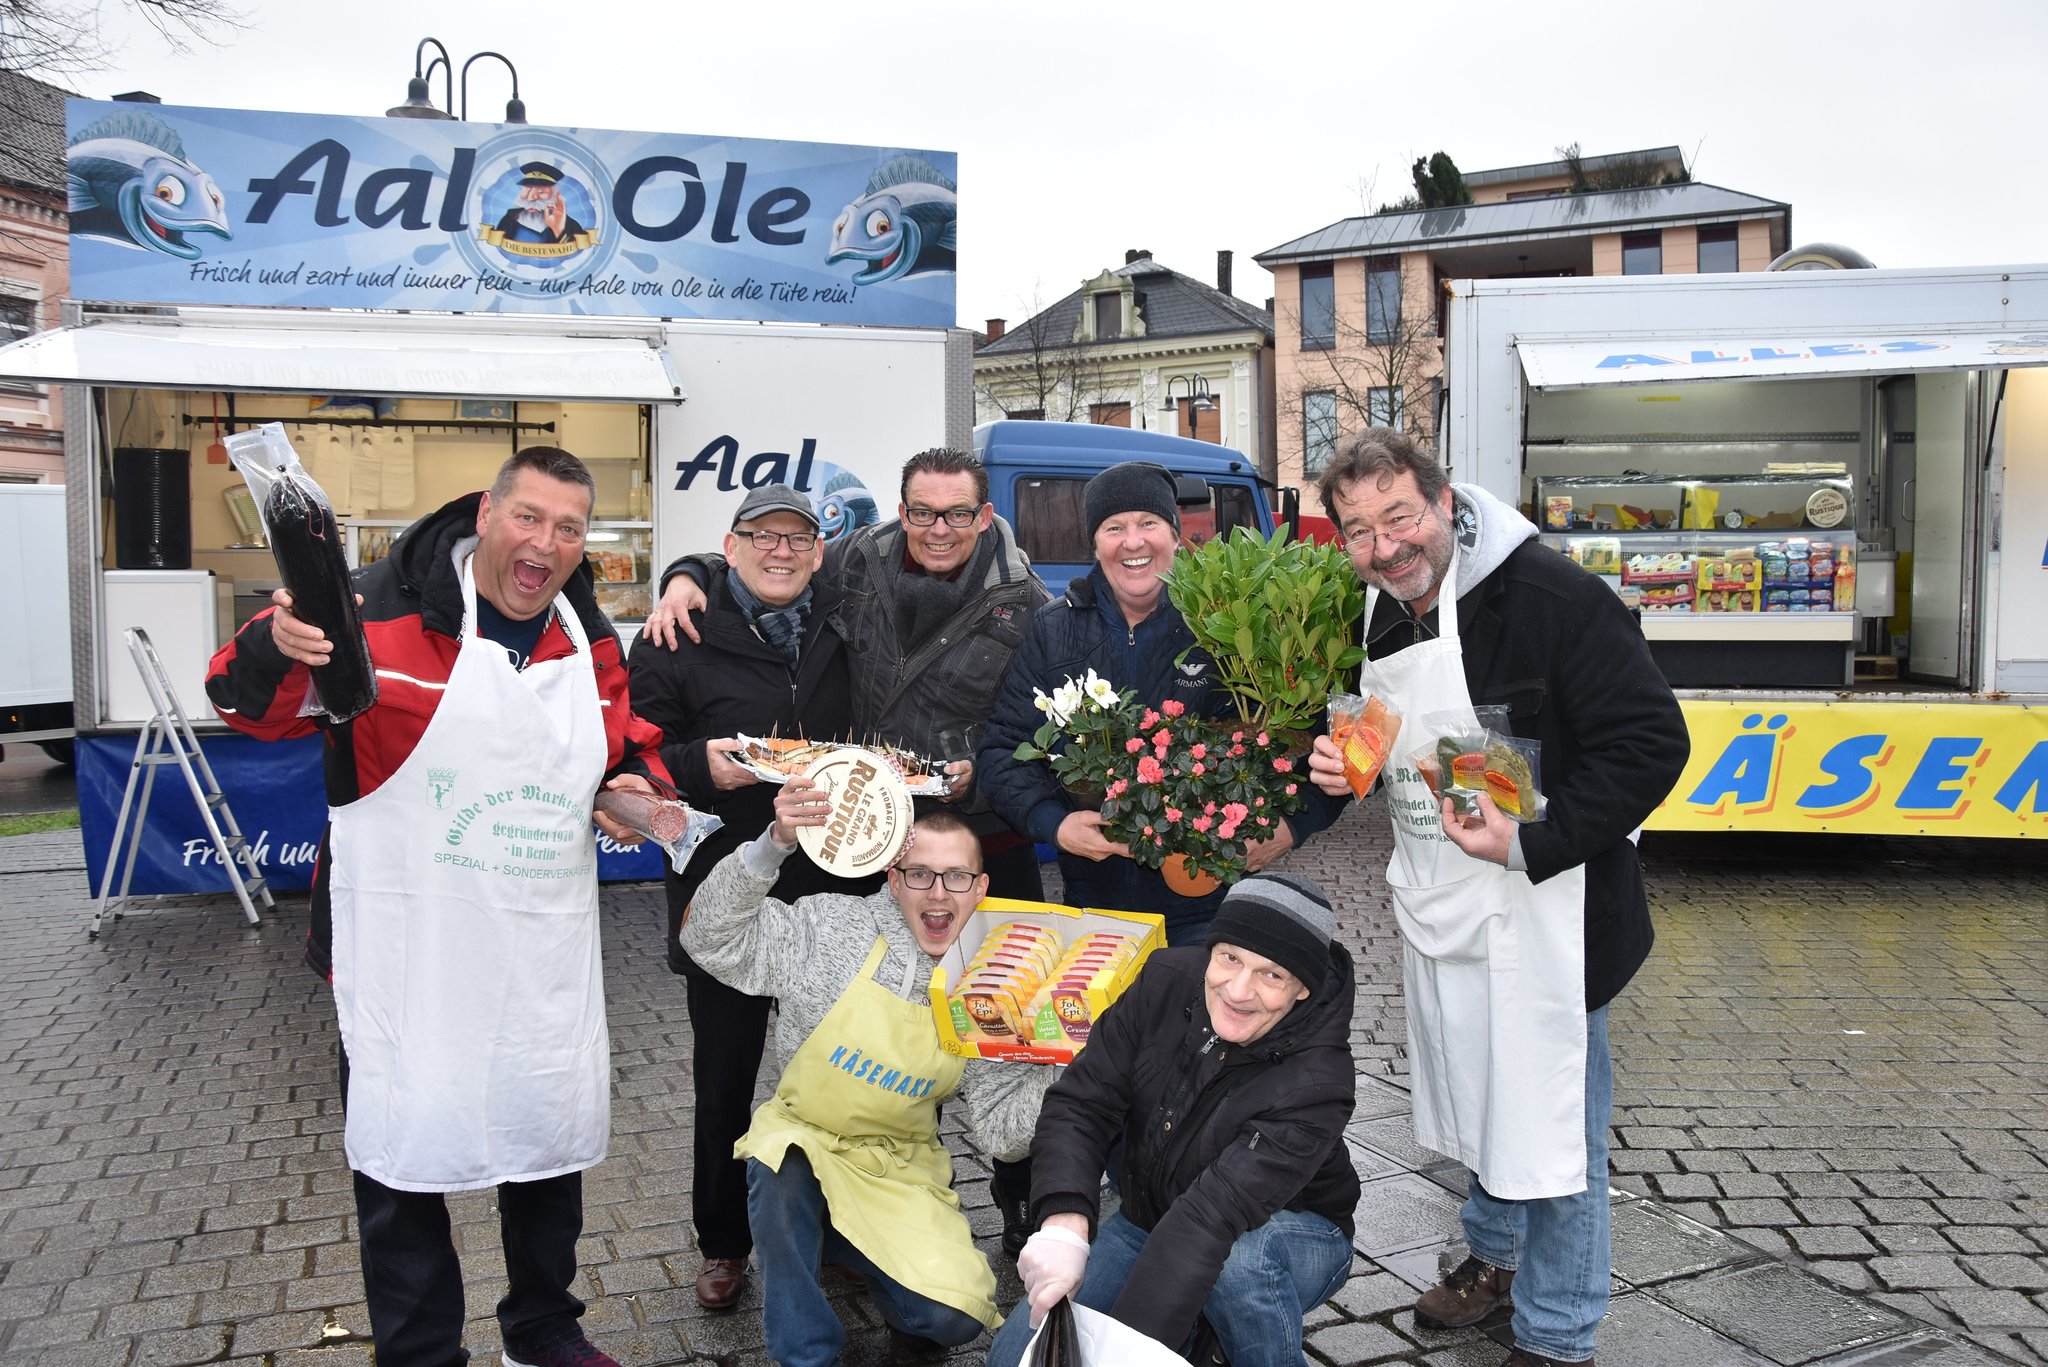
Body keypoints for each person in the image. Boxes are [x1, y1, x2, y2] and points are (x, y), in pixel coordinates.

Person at [206, 446, 671, 1367]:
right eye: (529, 518)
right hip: (405, 951)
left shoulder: (588, 635)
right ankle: (421, 1350)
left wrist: (635, 790)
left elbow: (627, 742)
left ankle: (542, 1329)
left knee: (545, 1139)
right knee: (401, 1158)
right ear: (487, 514)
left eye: (570, 528)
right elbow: (240, 702)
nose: (547, 543)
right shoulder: (372, 608)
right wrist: (273, 642)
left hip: (537, 947)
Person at [1304, 429, 1689, 1367]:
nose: (1386, 547)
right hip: (1443, 905)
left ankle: (1558, 1332)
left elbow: (1652, 743)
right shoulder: (1372, 610)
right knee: (1479, 1092)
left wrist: (1536, 838)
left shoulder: (1553, 596)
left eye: (1399, 517)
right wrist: (1340, 762)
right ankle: (1493, 1253)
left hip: (1552, 914)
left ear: (1444, 502)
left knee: (1550, 1123)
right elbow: (1393, 731)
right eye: (1358, 530)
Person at [642, 448, 1053, 1253]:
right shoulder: (855, 566)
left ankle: (1016, 1215)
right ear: (899, 511)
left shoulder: (1029, 605)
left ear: (986, 517)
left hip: (959, 848)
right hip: (823, 860)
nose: (938, 529)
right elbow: (767, 561)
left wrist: (983, 772)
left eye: (957, 514)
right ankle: (748, 1238)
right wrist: (683, 575)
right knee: (770, 1059)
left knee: (987, 1030)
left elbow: (1047, 731)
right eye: (922, 512)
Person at [680, 790, 1057, 1367]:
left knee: (951, 1320)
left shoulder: (992, 983)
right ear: (892, 879)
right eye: (921, 874)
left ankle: (850, 1242)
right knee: (780, 1169)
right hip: (806, 1136)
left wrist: (1057, 1066)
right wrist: (772, 845)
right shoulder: (828, 926)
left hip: (899, 1164)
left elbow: (1003, 1134)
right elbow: (707, 938)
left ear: (981, 889)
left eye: (956, 877)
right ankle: (805, 1351)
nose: (938, 892)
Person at [624, 483, 881, 1313]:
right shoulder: (679, 631)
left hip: (834, 892)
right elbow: (640, 754)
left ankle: (836, 1231)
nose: (780, 551)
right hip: (726, 889)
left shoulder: (843, 620)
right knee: (726, 1076)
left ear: (818, 551)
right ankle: (723, 1243)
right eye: (760, 537)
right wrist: (704, 767)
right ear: (729, 547)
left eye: (796, 539)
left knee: (830, 1069)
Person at [984, 872, 1360, 1367]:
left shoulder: (1320, 1081)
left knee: (1238, 1265)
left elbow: (1212, 1215)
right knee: (1017, 1358)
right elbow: (1082, 1102)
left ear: (1303, 990)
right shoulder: (1163, 981)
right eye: (1230, 958)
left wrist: (1134, 1350)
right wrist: (1065, 1223)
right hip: (1150, 1216)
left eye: (1272, 976)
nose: (1239, 990)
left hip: (1289, 1232)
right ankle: (1200, 1333)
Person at [978, 460, 1342, 946]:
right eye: (1114, 528)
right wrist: (1056, 825)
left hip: (1211, 906)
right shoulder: (1055, 630)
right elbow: (1004, 749)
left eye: (1149, 523)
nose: (1133, 542)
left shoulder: (1228, 624)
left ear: (1175, 535)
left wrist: (1293, 827)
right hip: (1093, 908)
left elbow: (1329, 743)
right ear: (1095, 543)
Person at [494, 161, 587, 245]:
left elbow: (575, 253)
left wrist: (558, 229)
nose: (531, 198)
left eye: (541, 192)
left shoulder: (570, 225)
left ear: (556, 195)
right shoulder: (510, 218)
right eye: (528, 190)